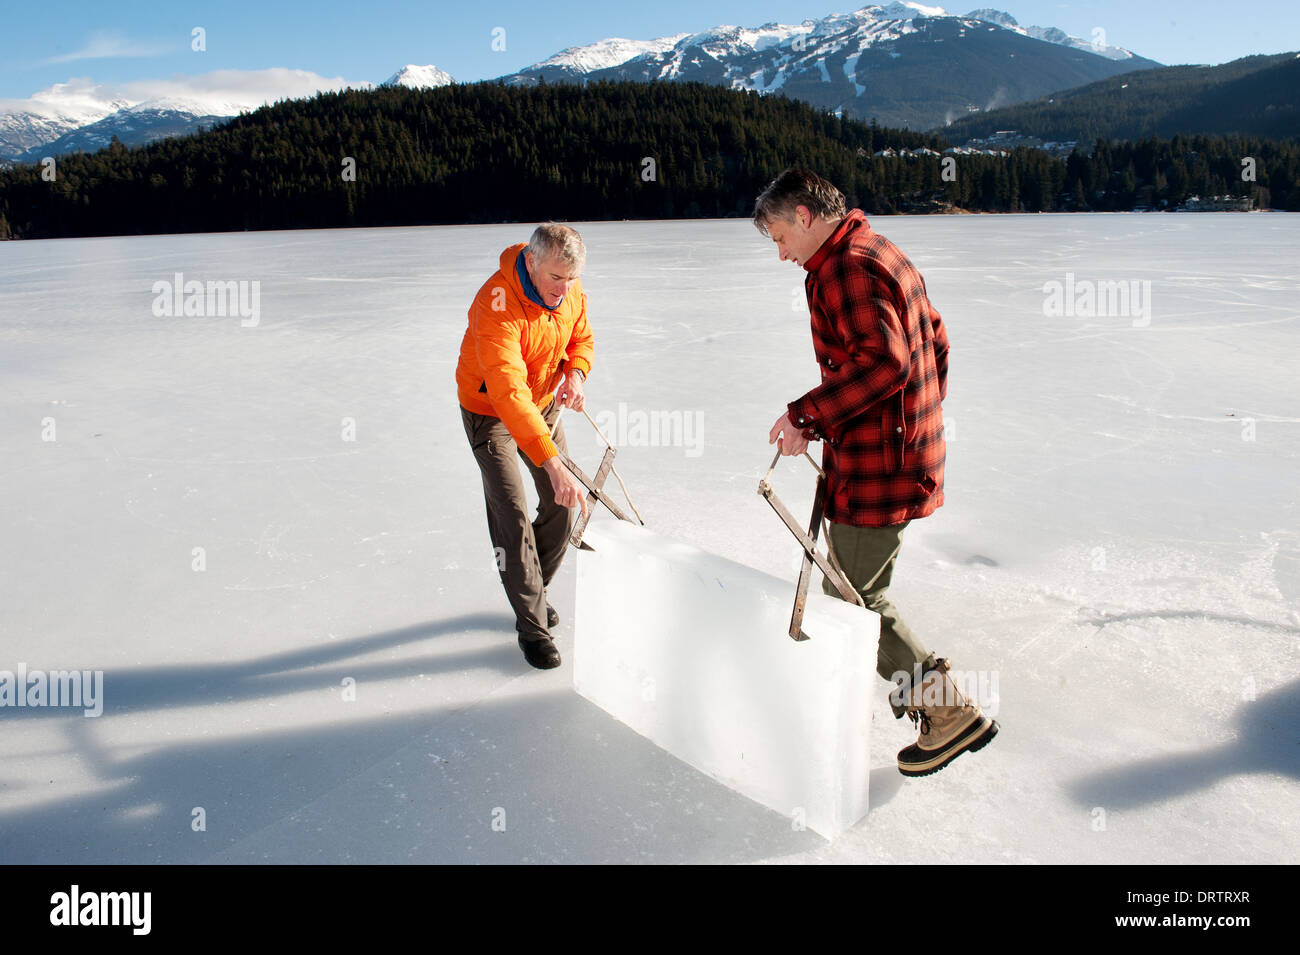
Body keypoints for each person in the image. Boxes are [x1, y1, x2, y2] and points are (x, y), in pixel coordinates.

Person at [754, 168, 998, 777]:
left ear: (807, 216)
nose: (781, 253)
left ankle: (949, 713)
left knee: (852, 596)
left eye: (781, 235)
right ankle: (928, 703)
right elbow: (933, 342)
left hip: (879, 465)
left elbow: (886, 364)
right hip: (892, 450)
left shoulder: (847, 268)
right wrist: (914, 418)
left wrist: (808, 413)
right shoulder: (877, 249)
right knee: (852, 588)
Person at [456, 222, 593, 670]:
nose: (563, 289)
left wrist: (575, 372)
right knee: (512, 517)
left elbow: (580, 338)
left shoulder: (569, 289)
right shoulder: (496, 302)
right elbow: (508, 391)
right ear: (531, 262)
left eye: (572, 279)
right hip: (490, 410)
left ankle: (531, 590)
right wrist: (553, 463)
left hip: (542, 402)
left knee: (563, 505)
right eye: (556, 278)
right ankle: (532, 626)